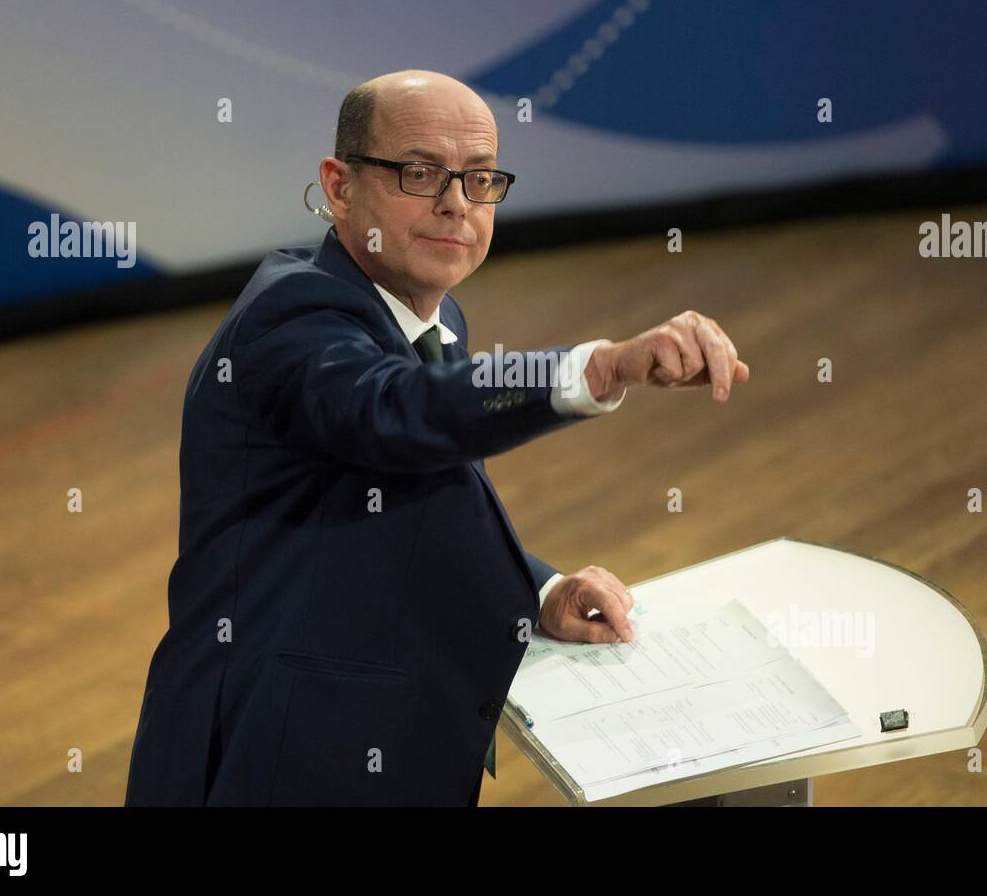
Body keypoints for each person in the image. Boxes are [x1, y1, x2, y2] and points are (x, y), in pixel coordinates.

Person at [124, 69, 749, 807]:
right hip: (269, 755)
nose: (456, 204)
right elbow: (398, 413)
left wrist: (539, 587)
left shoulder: (433, 318)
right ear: (339, 184)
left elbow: (419, 499)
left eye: (480, 179)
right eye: (420, 173)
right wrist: (602, 366)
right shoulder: (290, 319)